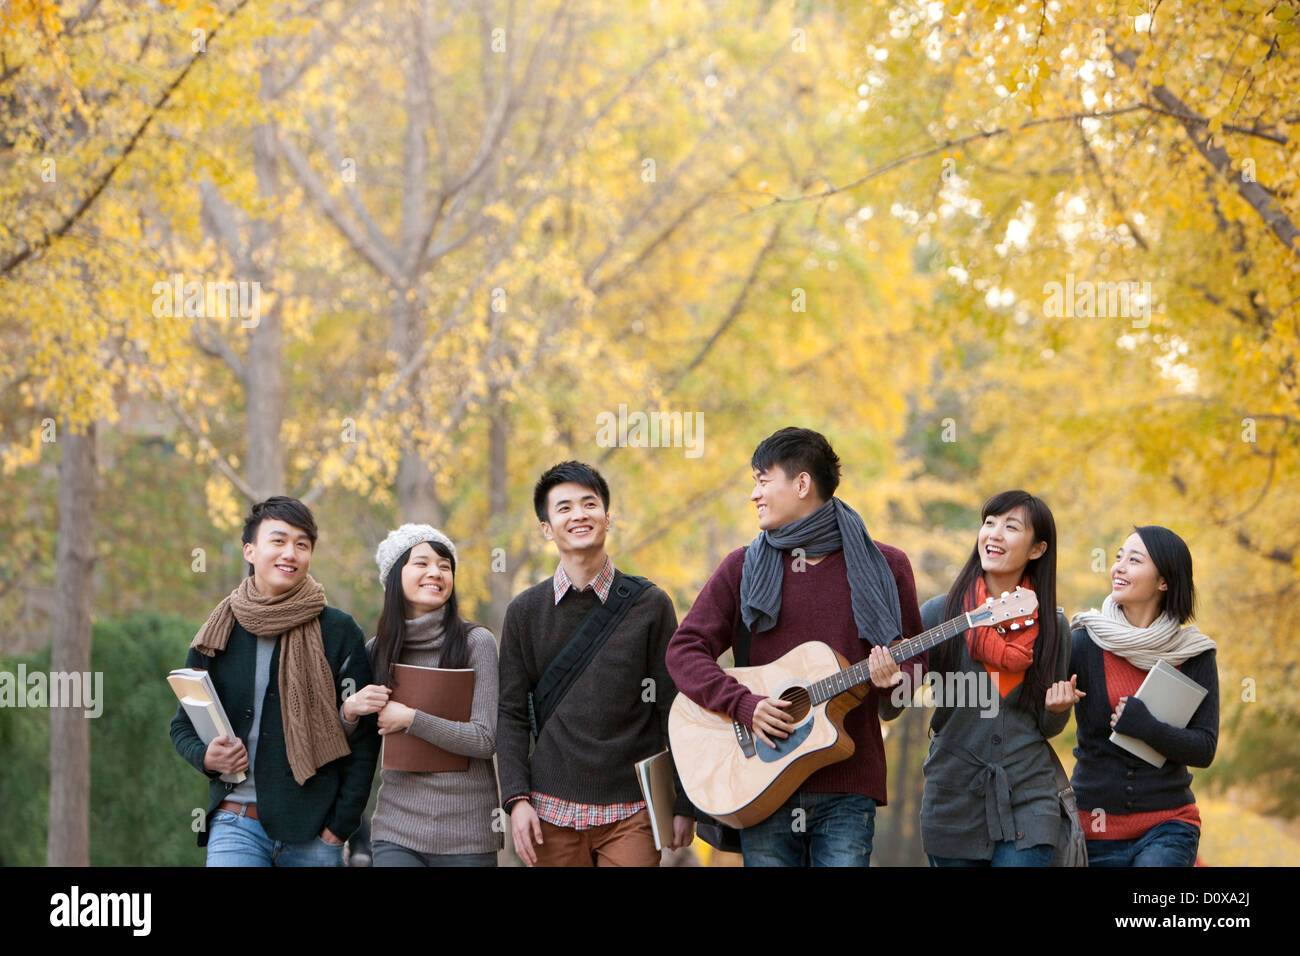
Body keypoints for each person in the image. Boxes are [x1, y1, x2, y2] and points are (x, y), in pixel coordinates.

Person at [666, 427, 924, 867]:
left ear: (801, 484)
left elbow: (913, 671)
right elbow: (684, 650)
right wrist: (743, 704)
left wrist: (893, 680)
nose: (754, 495)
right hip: (761, 783)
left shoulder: (887, 565)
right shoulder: (743, 567)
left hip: (848, 783)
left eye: (763, 481)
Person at [497, 460, 695, 866]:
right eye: (564, 507)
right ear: (547, 528)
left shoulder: (650, 606)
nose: (579, 515)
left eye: (590, 504)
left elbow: (673, 708)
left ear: (608, 518)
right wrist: (516, 799)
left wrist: (684, 802)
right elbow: (511, 713)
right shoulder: (525, 612)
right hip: (550, 811)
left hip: (633, 810)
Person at [170, 496, 379, 866]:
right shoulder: (219, 630)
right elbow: (181, 725)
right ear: (250, 551)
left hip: (314, 831)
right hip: (235, 822)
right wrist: (205, 756)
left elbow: (363, 739)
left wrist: (340, 827)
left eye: (302, 544)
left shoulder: (339, 632)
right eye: (278, 541)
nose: (291, 553)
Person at [875, 490, 1073, 866]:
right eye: (989, 523)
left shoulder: (1054, 626)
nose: (994, 534)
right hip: (953, 803)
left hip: (1029, 802)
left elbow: (1047, 727)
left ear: (1037, 549)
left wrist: (1058, 709)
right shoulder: (939, 615)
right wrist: (886, 684)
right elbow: (892, 708)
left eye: (1010, 527)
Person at [339, 525, 502, 866]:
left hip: (466, 833)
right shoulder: (377, 650)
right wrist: (350, 711)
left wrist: (412, 719)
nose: (436, 572)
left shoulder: (477, 643)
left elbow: (485, 739)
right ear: (395, 575)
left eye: (445, 566)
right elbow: (351, 745)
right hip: (396, 829)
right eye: (422, 563)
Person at [1068, 525, 1217, 866]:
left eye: (1134, 560)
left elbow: (1205, 748)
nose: (1118, 567)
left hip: (1168, 824)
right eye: (1118, 557)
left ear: (1163, 581)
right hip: (1095, 826)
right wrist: (1055, 706)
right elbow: (1046, 720)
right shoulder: (1083, 643)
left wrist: (1146, 727)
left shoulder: (1193, 653)